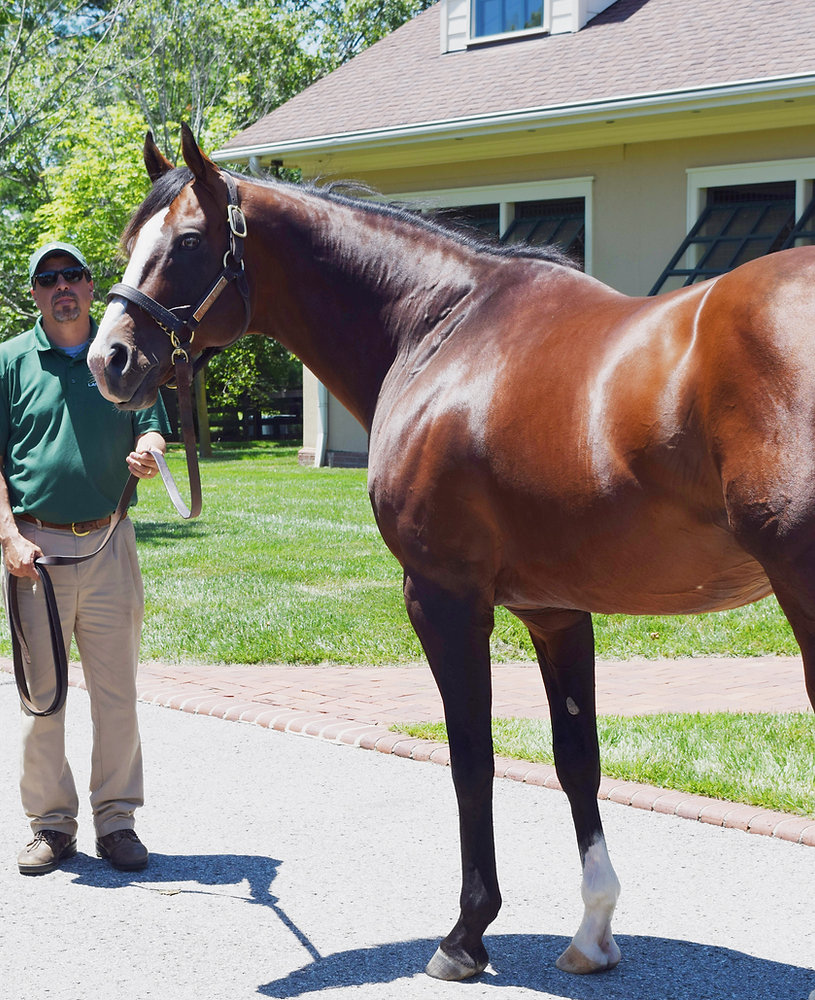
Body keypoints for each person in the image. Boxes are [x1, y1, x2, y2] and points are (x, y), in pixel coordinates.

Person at [0, 241, 170, 875]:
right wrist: (9, 537)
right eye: (47, 278)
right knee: (41, 697)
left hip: (109, 543)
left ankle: (118, 821)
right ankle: (50, 826)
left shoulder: (118, 351)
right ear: (36, 292)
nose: (60, 286)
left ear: (91, 286)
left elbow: (152, 423)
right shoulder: (10, 361)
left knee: (116, 694)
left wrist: (149, 449)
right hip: (33, 554)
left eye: (71, 275)